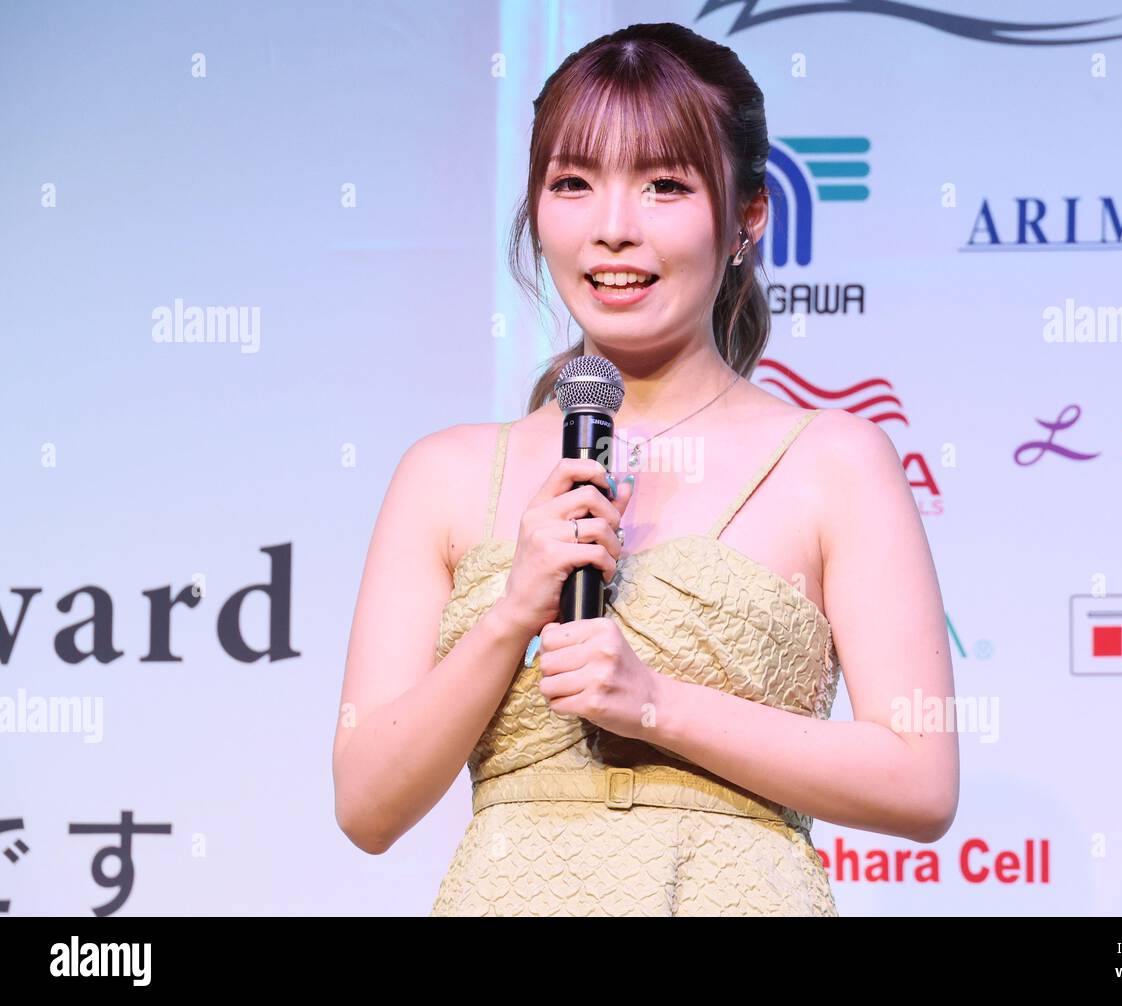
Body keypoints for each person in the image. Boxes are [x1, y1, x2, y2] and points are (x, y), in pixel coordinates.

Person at [332, 21, 958, 916]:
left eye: (664, 186)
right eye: (574, 184)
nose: (613, 230)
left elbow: (919, 779)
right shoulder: (445, 474)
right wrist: (514, 611)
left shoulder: (832, 461)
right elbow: (366, 803)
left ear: (748, 215)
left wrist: (655, 703)